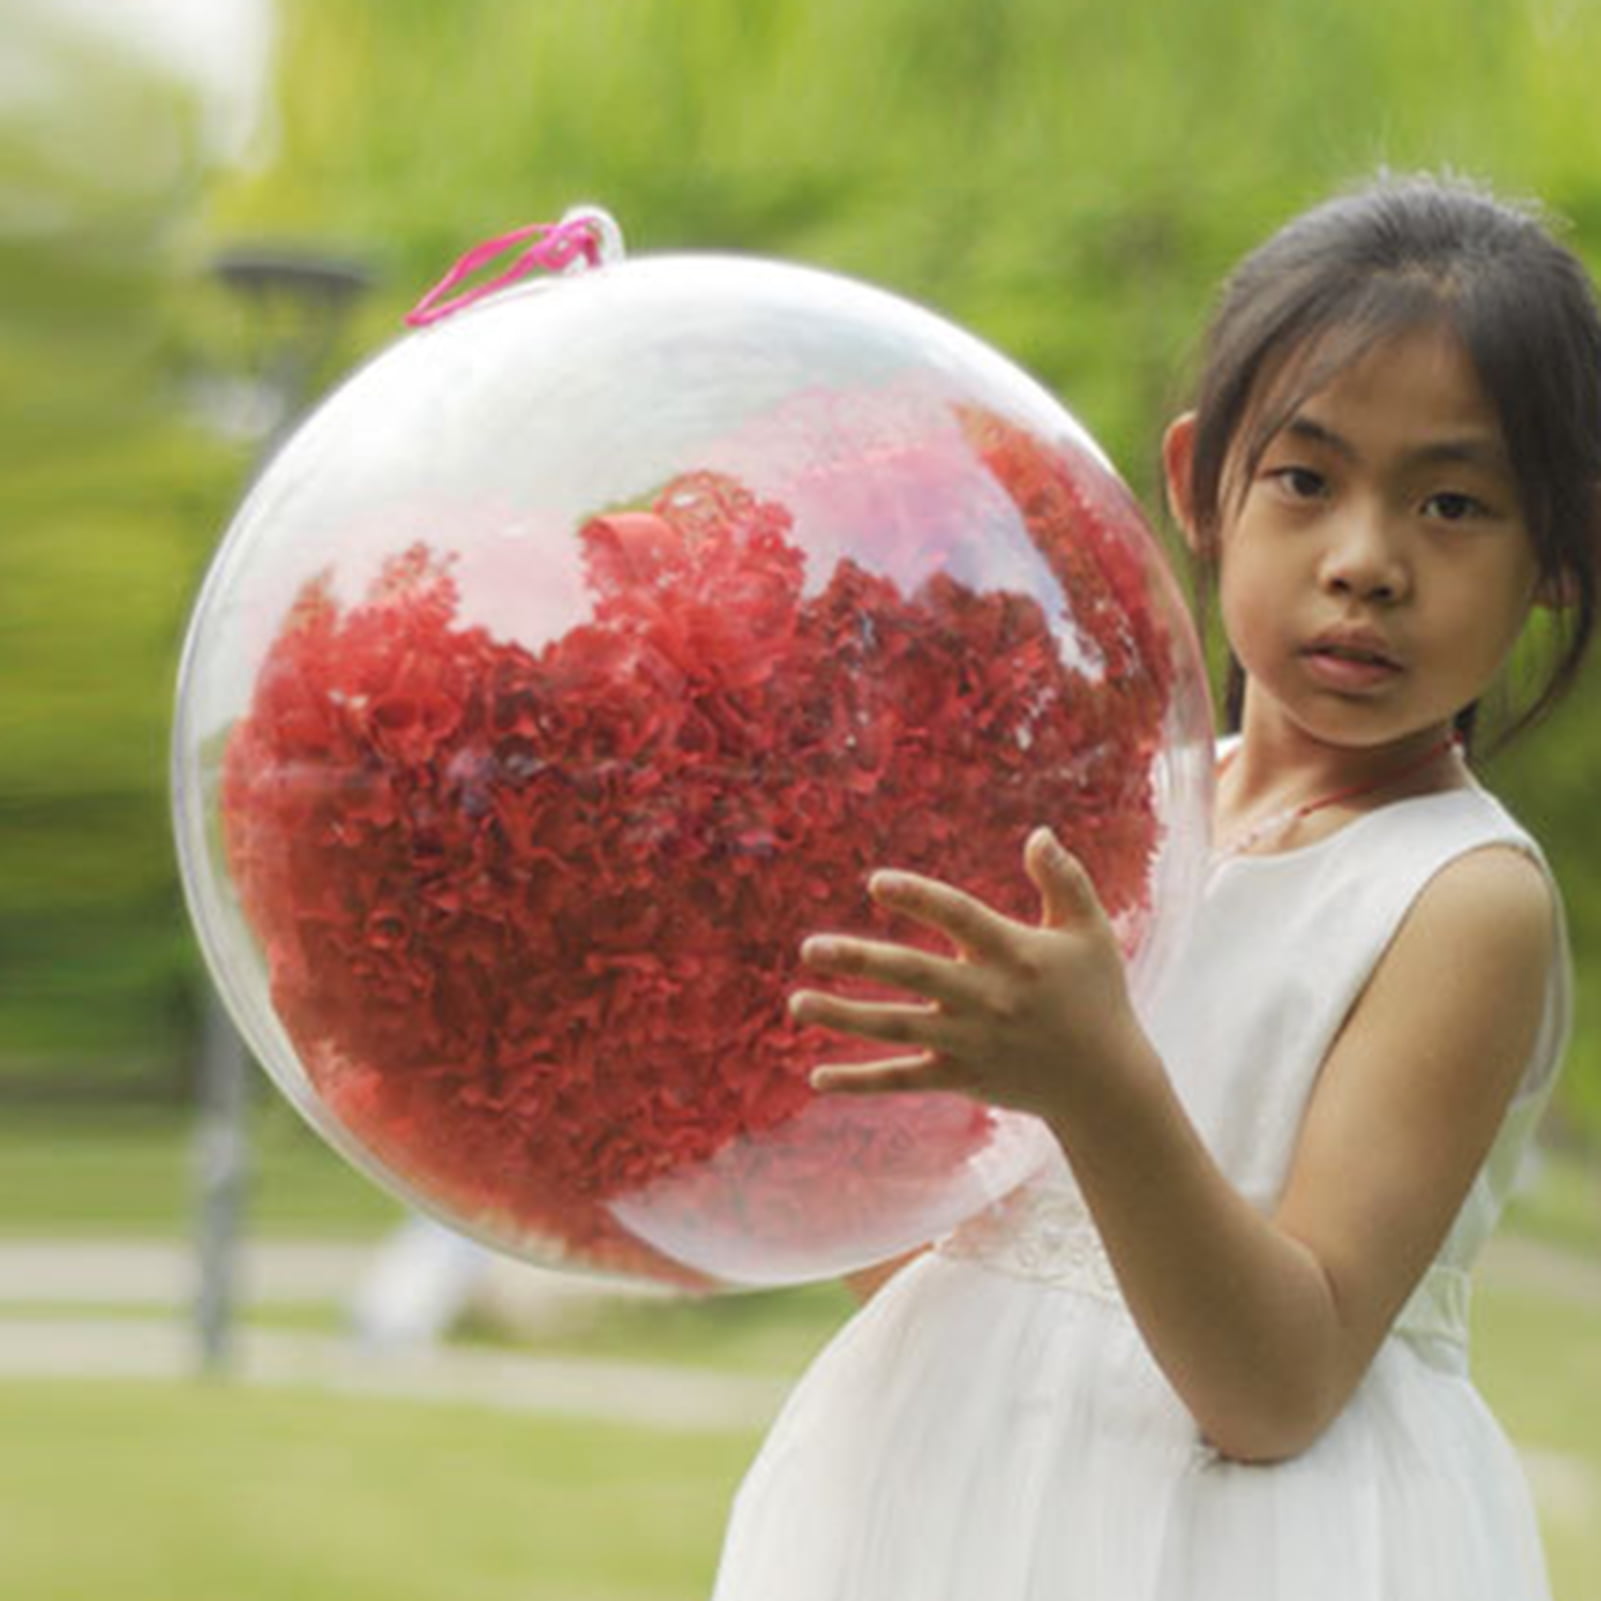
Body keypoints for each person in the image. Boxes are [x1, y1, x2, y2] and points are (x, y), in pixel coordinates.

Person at [711, 173, 1601, 1600]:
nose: (1364, 562)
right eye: (1304, 480)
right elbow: (973, 1246)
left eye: (1453, 503)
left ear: (1562, 550)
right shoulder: (1108, 806)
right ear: (1197, 486)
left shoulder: (1460, 898)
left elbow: (1275, 1386)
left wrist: (1094, 1078)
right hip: (943, 1492)